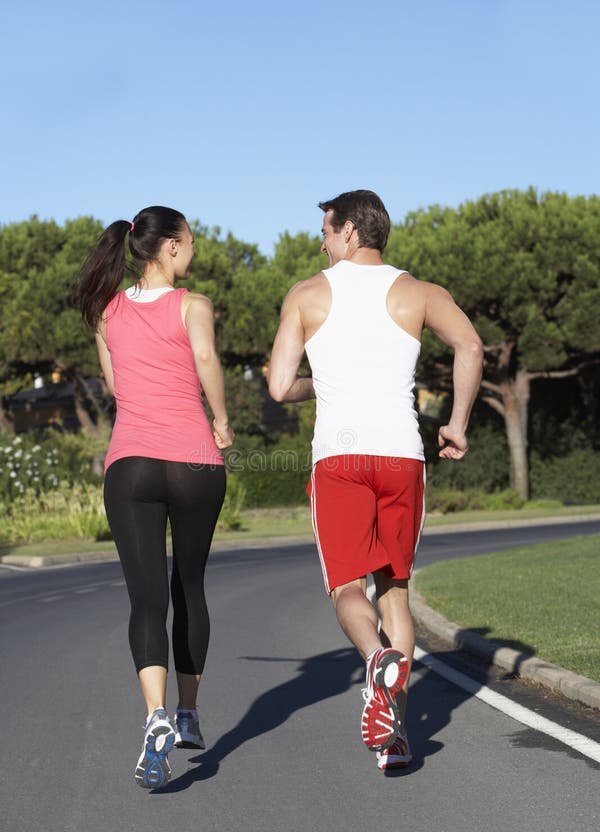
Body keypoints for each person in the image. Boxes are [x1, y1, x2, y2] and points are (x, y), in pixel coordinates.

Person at [267, 190, 483, 771]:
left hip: (339, 459)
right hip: (400, 456)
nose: (322, 241)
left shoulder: (308, 294)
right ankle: (396, 734)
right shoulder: (419, 292)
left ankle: (372, 661)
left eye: (327, 231)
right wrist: (457, 423)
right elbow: (469, 344)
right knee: (394, 591)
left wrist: (326, 383)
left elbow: (280, 386)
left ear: (351, 234)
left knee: (345, 589)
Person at [78, 206, 234, 788]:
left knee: (147, 602)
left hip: (132, 464)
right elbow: (204, 360)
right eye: (189, 242)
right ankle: (190, 713)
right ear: (169, 247)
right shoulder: (193, 305)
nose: (192, 251)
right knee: (187, 584)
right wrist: (221, 420)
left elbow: (117, 386)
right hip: (194, 458)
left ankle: (156, 718)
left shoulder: (105, 311)